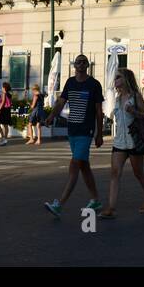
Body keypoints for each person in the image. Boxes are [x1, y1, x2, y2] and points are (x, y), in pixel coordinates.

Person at [43, 54, 104, 218]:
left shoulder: (94, 85)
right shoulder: (70, 82)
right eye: (79, 62)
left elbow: (99, 111)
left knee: (74, 165)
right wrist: (51, 116)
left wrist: (99, 134)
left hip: (86, 131)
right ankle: (96, 199)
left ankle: (60, 204)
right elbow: (61, 102)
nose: (81, 64)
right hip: (73, 131)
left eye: (84, 62)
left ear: (88, 65)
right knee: (84, 166)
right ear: (74, 65)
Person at [101, 68, 144, 218]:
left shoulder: (135, 97)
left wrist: (133, 111)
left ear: (126, 79)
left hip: (134, 141)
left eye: (118, 77)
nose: (115, 80)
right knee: (114, 173)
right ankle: (111, 208)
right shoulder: (117, 99)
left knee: (138, 173)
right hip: (119, 141)